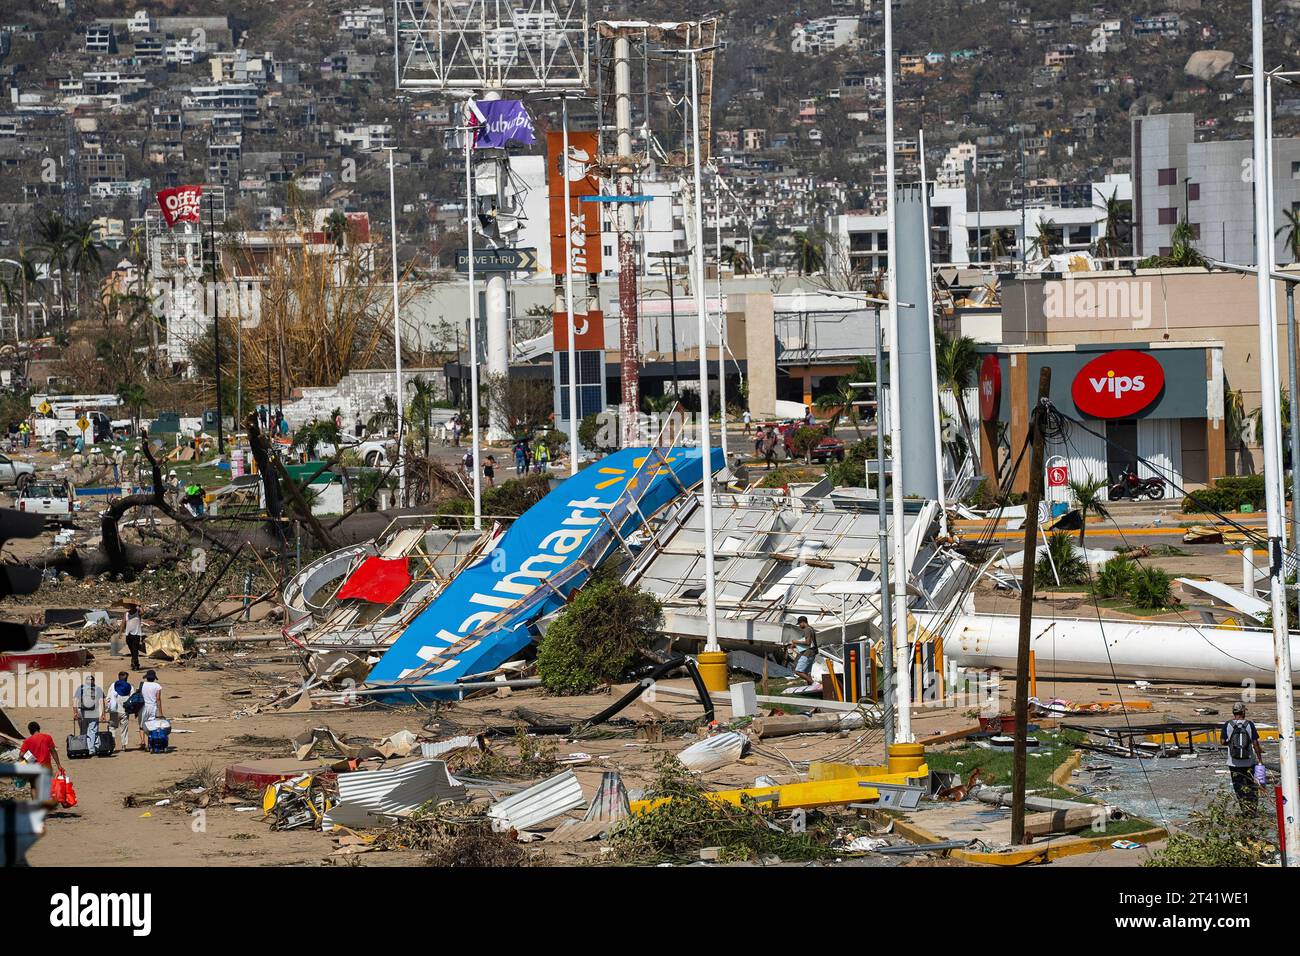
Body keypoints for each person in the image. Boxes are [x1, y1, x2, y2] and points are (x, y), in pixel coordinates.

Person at [1222, 702, 1264, 809]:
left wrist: (1231, 742)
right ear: (1243, 711)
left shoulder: (1228, 724)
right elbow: (1255, 744)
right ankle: (1253, 809)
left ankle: (1244, 810)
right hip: (1249, 762)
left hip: (1234, 763)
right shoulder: (1249, 724)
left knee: (1239, 788)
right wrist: (1260, 760)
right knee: (1251, 787)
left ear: (1233, 712)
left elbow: (1222, 742)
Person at [72, 674, 105, 745]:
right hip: (94, 712)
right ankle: (91, 749)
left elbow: (75, 701)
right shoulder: (98, 689)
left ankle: (83, 747)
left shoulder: (80, 688)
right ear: (94, 681)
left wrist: (75, 712)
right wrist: (103, 714)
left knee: (83, 731)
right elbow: (102, 702)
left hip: (82, 712)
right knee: (92, 731)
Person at [137, 670, 164, 752]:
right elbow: (158, 699)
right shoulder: (157, 686)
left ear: (147, 677)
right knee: (151, 726)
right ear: (154, 678)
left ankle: (142, 741)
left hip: (143, 707)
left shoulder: (142, 684)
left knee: (142, 725)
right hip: (153, 707)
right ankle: (150, 743)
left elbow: (140, 695)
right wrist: (160, 711)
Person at [106, 671, 133, 749]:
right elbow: (132, 699)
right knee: (124, 728)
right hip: (124, 710)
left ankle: (112, 744)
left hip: (114, 710)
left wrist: (108, 707)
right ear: (126, 678)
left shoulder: (113, 685)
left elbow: (108, 698)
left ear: (118, 677)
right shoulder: (130, 686)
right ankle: (124, 745)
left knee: (112, 727)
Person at [791, 616, 818, 685]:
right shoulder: (811, 628)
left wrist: (795, 642)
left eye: (800, 624)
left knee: (798, 671)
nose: (799, 626)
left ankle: (814, 684)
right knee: (807, 673)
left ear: (803, 622)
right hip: (812, 652)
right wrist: (796, 645)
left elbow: (808, 643)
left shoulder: (807, 629)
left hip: (808, 653)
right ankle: (811, 686)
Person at [120, 600, 144, 669]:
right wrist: (120, 632)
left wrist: (140, 606)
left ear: (135, 606)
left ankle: (136, 664)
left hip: (136, 634)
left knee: (135, 648)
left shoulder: (138, 612)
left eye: (133, 605)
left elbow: (143, 612)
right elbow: (123, 623)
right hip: (128, 634)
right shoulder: (126, 613)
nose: (132, 607)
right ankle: (134, 660)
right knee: (131, 648)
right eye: (131, 605)